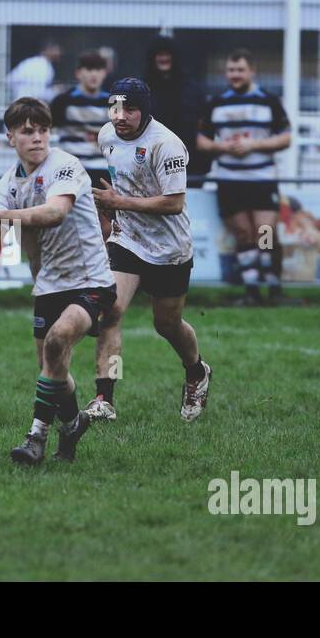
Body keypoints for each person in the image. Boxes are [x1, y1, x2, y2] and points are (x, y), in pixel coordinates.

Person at [0, 97, 114, 465]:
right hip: (48, 284)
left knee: (58, 341)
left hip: (90, 278)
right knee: (53, 366)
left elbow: (55, 213)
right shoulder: (7, 185)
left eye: (43, 130)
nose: (37, 138)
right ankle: (74, 423)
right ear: (10, 136)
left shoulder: (66, 165)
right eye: (28, 131)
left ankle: (35, 438)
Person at [85, 77, 212, 423]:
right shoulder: (106, 136)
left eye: (130, 108)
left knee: (166, 324)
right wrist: (111, 210)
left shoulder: (166, 145)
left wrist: (119, 200)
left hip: (169, 248)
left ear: (145, 110)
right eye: (114, 107)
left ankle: (196, 371)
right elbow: (119, 184)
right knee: (111, 312)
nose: (120, 115)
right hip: (127, 240)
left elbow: (173, 203)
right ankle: (103, 398)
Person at [196, 49, 293, 306]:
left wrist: (254, 146)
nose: (235, 75)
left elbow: (286, 137)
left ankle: (273, 289)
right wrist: (223, 148)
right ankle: (251, 291)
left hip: (261, 178)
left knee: (265, 232)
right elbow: (201, 141)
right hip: (229, 180)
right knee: (243, 234)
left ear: (252, 71)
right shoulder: (216, 103)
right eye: (231, 70)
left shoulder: (269, 101)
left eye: (240, 70)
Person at [49, 50, 112, 205]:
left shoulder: (113, 102)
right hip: (71, 170)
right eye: (89, 70)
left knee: (104, 221)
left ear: (104, 73)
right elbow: (46, 130)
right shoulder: (62, 101)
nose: (94, 75)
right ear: (78, 73)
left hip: (103, 170)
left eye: (98, 70)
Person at [143, 35, 207, 186]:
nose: (163, 58)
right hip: (151, 161)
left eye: (167, 54)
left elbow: (203, 123)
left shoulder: (192, 88)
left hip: (188, 163)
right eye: (159, 54)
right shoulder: (142, 88)